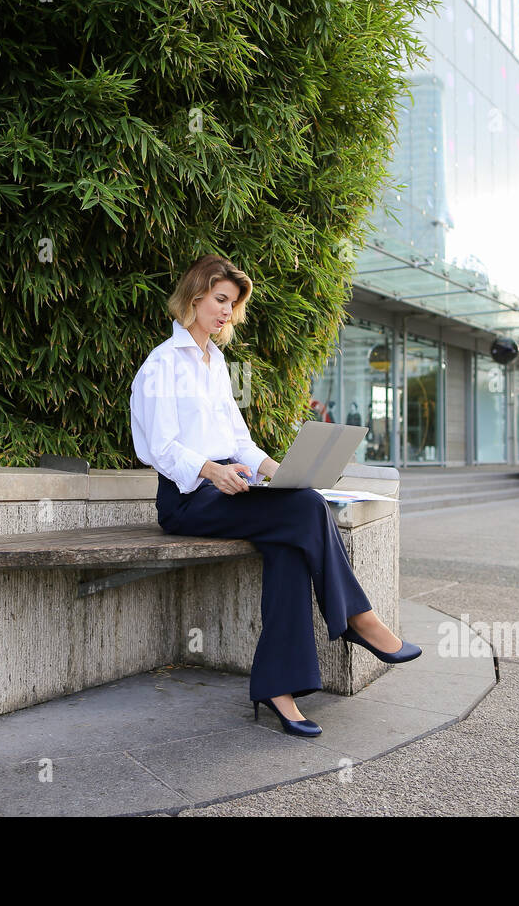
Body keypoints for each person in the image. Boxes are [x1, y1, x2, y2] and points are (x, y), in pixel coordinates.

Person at [130, 255, 420, 737]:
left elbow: (240, 441)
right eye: (220, 300)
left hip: (230, 485)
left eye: (233, 304)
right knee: (305, 509)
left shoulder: (216, 362)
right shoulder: (162, 364)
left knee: (291, 534)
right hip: (188, 497)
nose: (227, 312)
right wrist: (209, 471)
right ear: (195, 295)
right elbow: (159, 447)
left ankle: (278, 689)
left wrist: (280, 472)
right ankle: (357, 618)